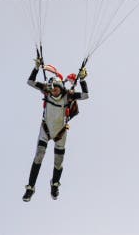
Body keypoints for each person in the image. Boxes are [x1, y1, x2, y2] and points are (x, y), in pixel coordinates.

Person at [22, 57, 88, 202]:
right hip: (45, 130)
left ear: (62, 88)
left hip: (60, 133)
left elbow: (85, 95)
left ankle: (54, 185)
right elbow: (30, 82)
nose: (55, 91)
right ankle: (30, 188)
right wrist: (36, 68)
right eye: (53, 89)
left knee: (58, 161)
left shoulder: (67, 96)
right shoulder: (46, 91)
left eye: (58, 89)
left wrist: (82, 80)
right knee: (39, 156)